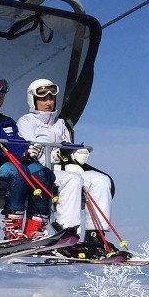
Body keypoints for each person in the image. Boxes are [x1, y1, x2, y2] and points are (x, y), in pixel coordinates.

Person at [16, 79, 128, 259]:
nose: (48, 103)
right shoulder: (26, 122)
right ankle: (67, 233)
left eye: (51, 98)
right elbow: (28, 149)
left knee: (100, 180)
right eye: (43, 99)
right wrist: (42, 152)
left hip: (63, 168)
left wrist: (75, 155)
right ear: (33, 100)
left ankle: (96, 237)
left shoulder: (60, 124)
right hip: (41, 171)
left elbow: (67, 146)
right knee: (72, 179)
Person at [0, 76, 55, 241]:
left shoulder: (6, 122)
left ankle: (35, 228)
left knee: (42, 173)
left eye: (0, 98)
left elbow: (17, 144)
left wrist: (27, 151)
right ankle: (12, 228)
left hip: (5, 162)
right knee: (18, 172)